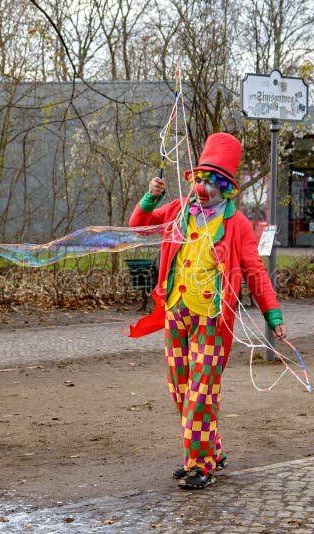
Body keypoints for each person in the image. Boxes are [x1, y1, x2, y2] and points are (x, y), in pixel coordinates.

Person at [127, 132, 286, 490]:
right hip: (176, 312)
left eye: (209, 182)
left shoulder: (237, 224)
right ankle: (211, 449)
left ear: (225, 188)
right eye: (198, 179)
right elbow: (138, 226)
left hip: (213, 319)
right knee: (180, 390)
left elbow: (256, 272)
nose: (201, 187)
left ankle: (200, 465)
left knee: (201, 392)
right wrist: (151, 196)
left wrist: (272, 316)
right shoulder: (178, 212)